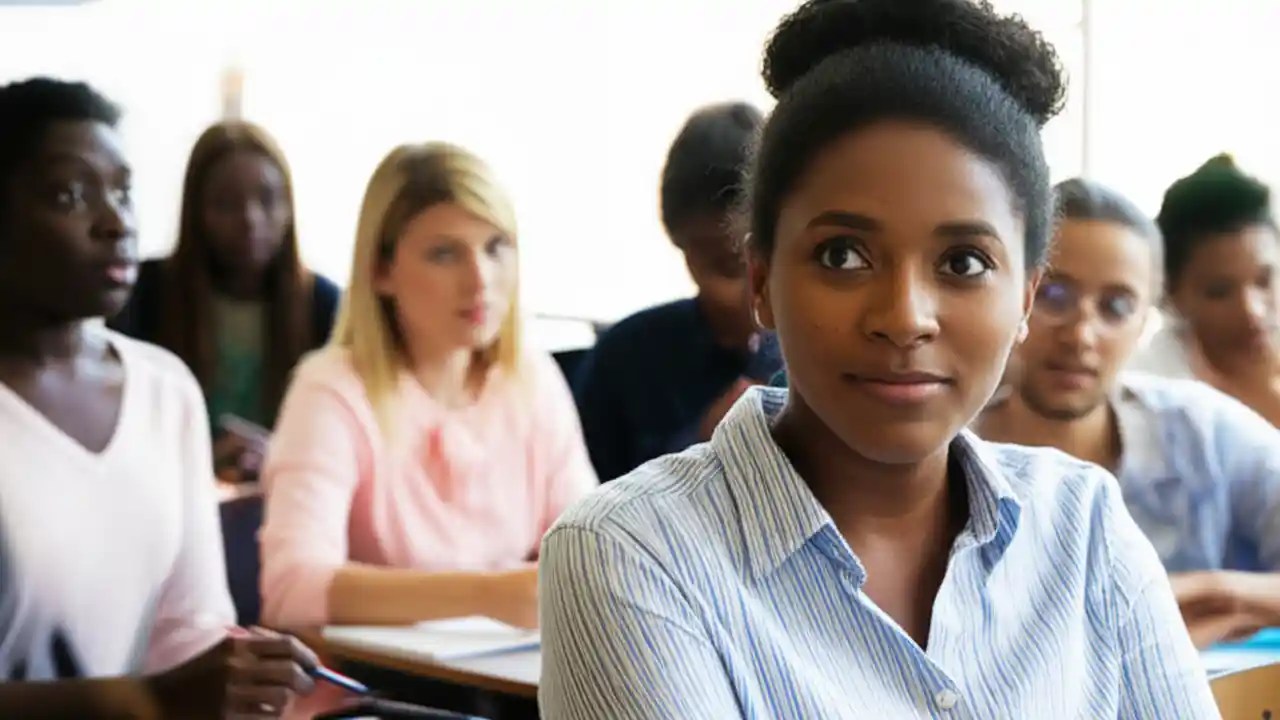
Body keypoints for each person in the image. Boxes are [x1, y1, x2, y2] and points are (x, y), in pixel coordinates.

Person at [539, 1, 1217, 717]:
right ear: (762, 281)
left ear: (1025, 297)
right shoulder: (631, 555)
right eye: (843, 255)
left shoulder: (1083, 528)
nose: (903, 318)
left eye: (962, 261)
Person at [0, 77, 315, 719]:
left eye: (122, 190)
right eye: (70, 194)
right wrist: (142, 701)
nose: (116, 222)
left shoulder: (166, 390)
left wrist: (240, 678)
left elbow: (189, 632)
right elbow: (159, 694)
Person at [259, 141, 597, 632]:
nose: (479, 279)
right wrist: (488, 595)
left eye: (496, 247)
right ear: (380, 271)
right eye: (444, 254)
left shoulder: (531, 379)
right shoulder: (331, 392)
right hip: (374, 694)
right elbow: (292, 590)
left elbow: (587, 551)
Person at [978, 178, 1280, 648]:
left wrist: (1223, 593)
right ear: (1013, 293)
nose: (1081, 335)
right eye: (1054, 296)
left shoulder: (1203, 431)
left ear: (1147, 321)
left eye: (1116, 306)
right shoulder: (946, 458)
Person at [110, 121, 340, 483]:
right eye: (226, 203)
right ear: (195, 211)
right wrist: (203, 460)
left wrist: (278, 456)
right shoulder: (144, 295)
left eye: (267, 199)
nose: (250, 219)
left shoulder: (324, 305)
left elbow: (341, 441)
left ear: (290, 207)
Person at [573, 102, 782, 481]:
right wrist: (698, 445)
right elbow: (583, 505)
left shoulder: (827, 355)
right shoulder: (623, 360)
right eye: (722, 265)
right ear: (680, 242)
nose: (745, 293)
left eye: (761, 261)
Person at [1129, 154, 1280, 425]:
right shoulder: (1148, 394)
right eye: (1219, 292)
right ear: (1170, 295)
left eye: (1264, 281)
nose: (1252, 312)